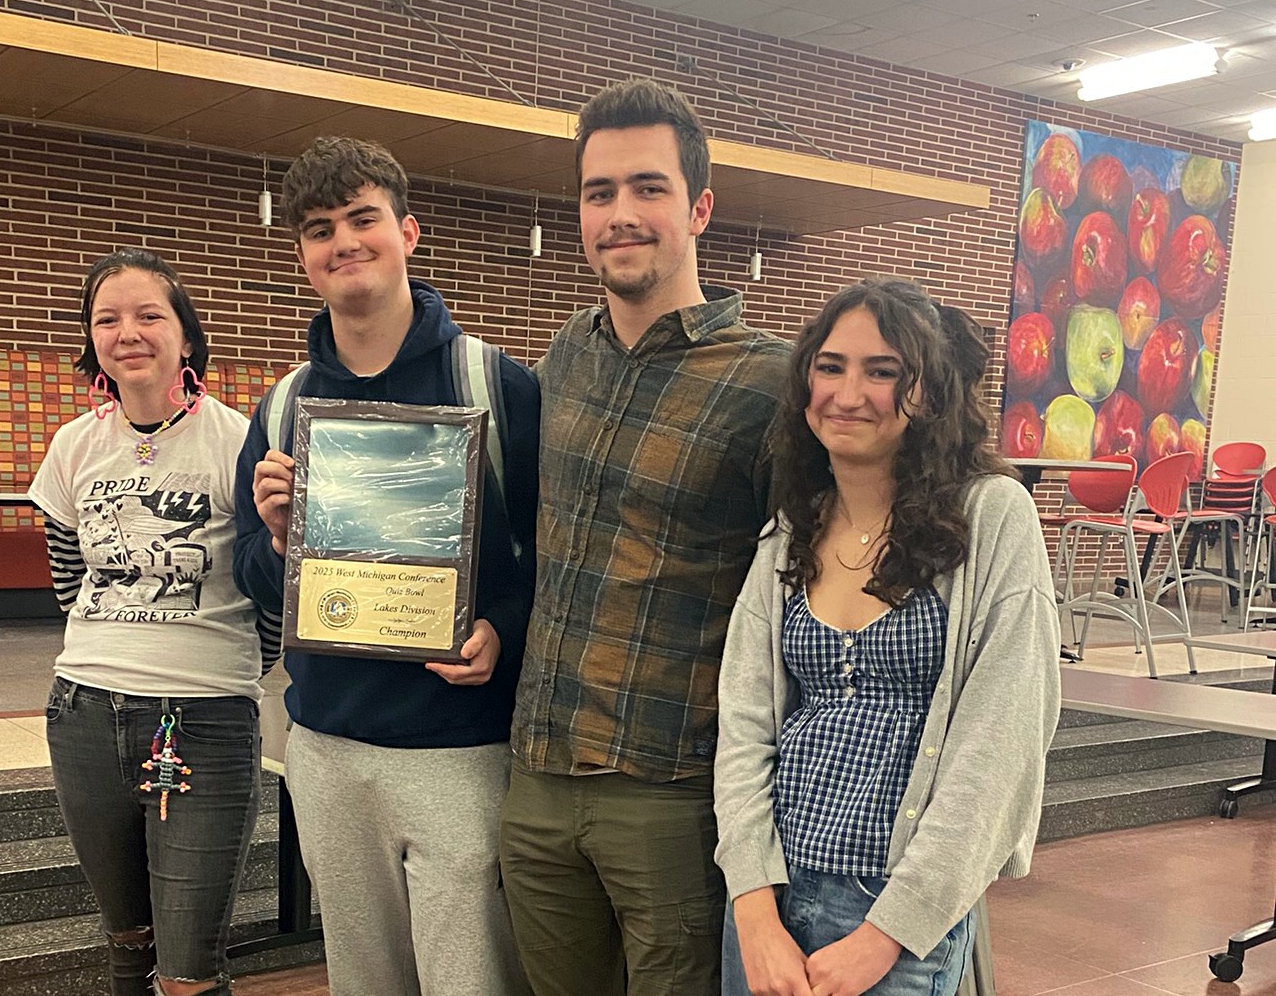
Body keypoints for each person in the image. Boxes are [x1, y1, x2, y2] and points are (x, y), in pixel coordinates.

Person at [498, 78, 791, 996]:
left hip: (669, 792)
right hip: (538, 778)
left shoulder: (770, 382)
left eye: (647, 188)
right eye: (599, 193)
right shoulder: (566, 356)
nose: (621, 214)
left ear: (699, 207)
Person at [231, 136, 538, 996]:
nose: (344, 243)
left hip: (459, 748)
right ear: (302, 258)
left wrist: (498, 633)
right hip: (326, 747)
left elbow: (549, 561)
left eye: (363, 219)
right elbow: (249, 573)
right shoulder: (288, 405)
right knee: (363, 981)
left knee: (471, 979)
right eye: (320, 230)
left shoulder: (494, 385)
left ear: (408, 231)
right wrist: (281, 540)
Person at [713, 278, 1062, 996]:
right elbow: (744, 725)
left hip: (895, 913)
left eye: (882, 371)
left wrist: (888, 934)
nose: (848, 392)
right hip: (775, 893)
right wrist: (752, 906)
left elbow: (1000, 745)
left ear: (927, 393)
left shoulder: (992, 518)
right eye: (830, 366)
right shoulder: (791, 533)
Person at [29, 248, 263, 996]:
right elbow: (68, 577)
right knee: (128, 948)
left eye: (149, 315)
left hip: (205, 717)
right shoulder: (75, 445)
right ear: (92, 340)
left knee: (190, 972)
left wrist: (214, 666)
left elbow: (275, 590)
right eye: (108, 319)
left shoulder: (239, 441)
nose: (127, 332)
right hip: (84, 712)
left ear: (187, 337)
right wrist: (115, 637)